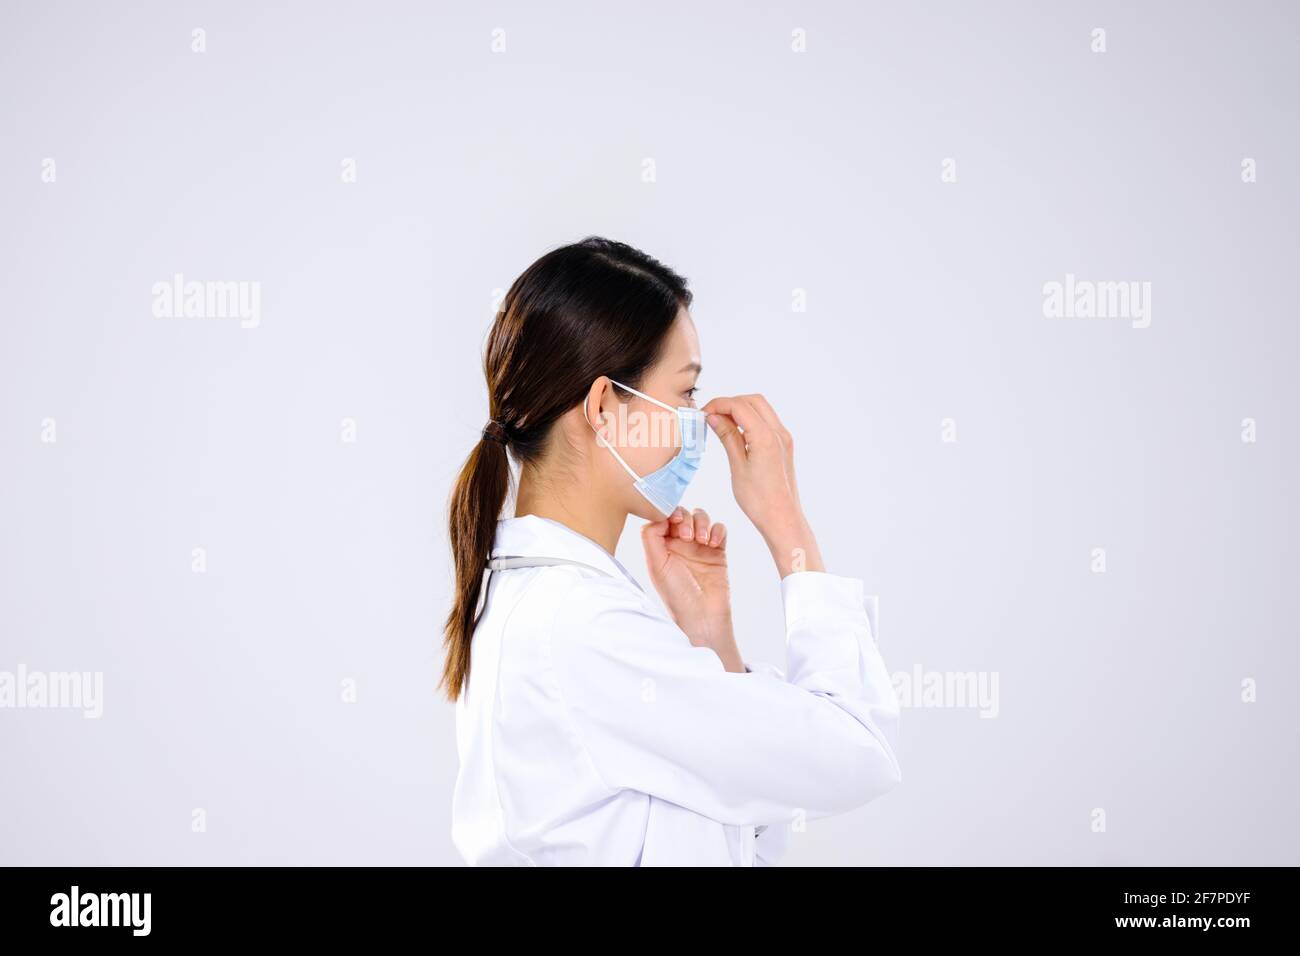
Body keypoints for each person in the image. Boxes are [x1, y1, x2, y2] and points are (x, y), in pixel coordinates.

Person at [443, 236, 901, 866]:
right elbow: (860, 750)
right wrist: (787, 527)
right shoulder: (581, 625)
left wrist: (713, 642)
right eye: (685, 393)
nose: (697, 421)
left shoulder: (545, 604)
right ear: (604, 407)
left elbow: (736, 816)